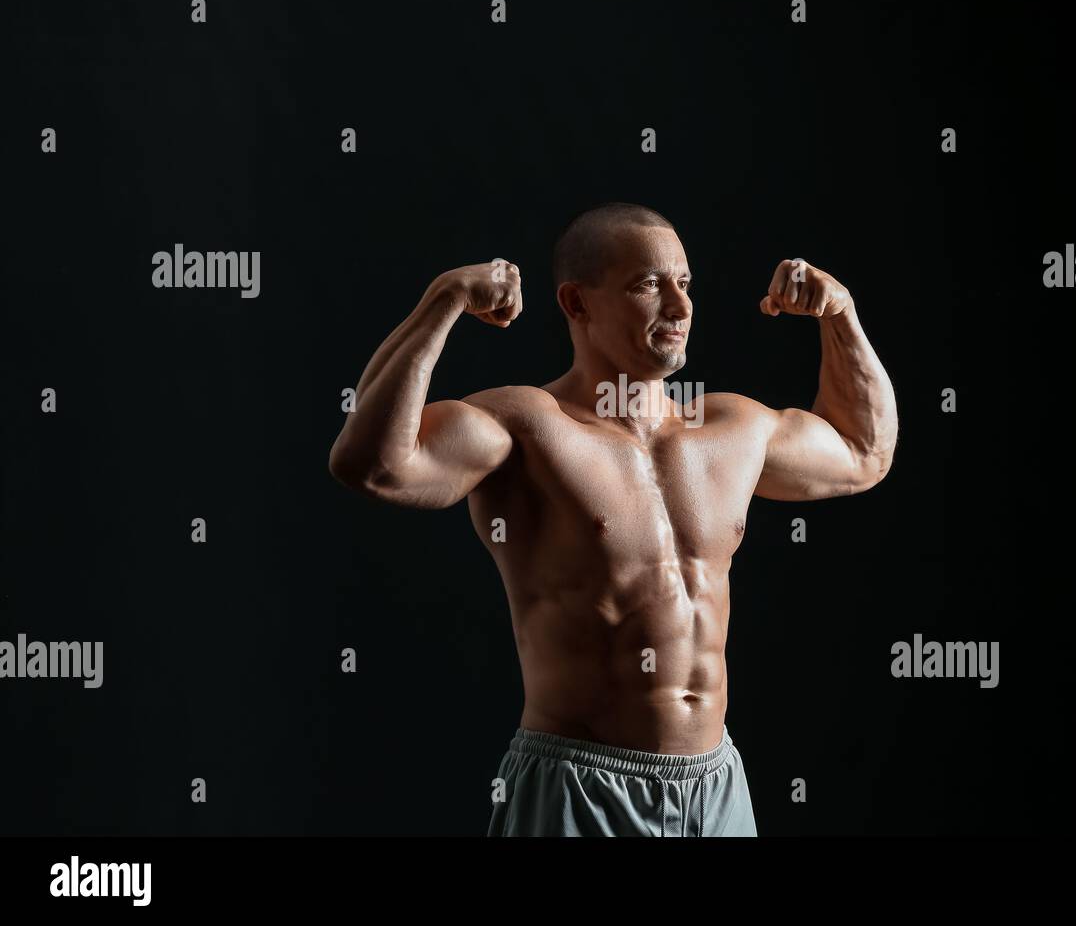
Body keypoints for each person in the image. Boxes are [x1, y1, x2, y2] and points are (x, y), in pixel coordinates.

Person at [328, 203, 899, 835]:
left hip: (716, 787)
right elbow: (373, 465)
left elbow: (862, 453)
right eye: (648, 285)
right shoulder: (527, 424)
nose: (680, 309)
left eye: (685, 284)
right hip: (580, 785)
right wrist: (444, 300)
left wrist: (841, 314)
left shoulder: (732, 428)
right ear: (576, 303)